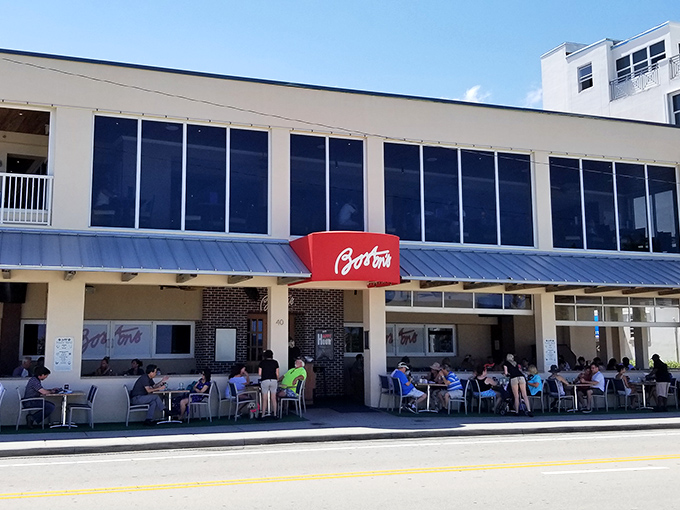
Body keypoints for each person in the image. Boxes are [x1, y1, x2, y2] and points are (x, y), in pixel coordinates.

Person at [258, 350, 280, 418]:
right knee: (273, 397)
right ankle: (275, 414)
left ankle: (263, 414)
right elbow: (277, 373)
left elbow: (259, 373)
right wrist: (277, 379)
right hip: (273, 380)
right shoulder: (275, 362)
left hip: (265, 380)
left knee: (264, 398)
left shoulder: (262, 362)